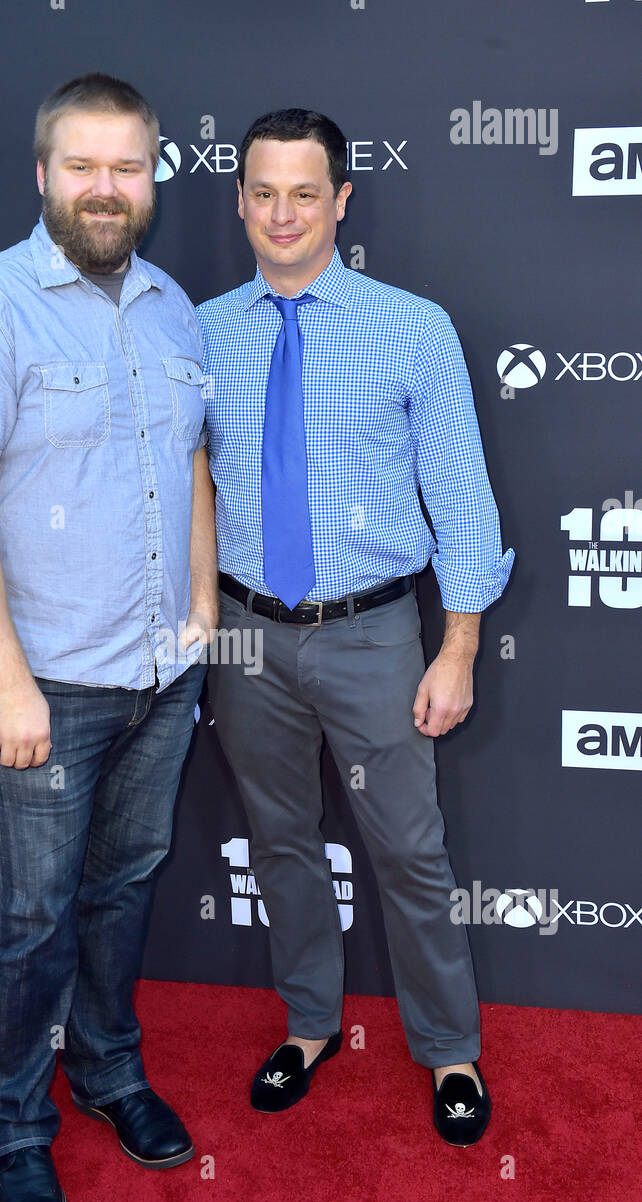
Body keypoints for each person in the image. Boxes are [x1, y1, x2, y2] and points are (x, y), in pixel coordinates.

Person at [0, 72, 217, 1202]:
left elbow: (189, 467)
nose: (105, 188)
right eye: (81, 166)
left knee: (123, 888)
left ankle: (107, 1071)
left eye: (125, 167)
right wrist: (9, 678)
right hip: (48, 685)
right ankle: (16, 1123)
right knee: (34, 915)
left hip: (157, 673)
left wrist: (196, 616)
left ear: (151, 178)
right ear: (41, 174)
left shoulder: (174, 307)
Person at [196, 108, 514, 1146]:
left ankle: (447, 1049)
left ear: (340, 200)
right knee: (280, 842)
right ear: (238, 199)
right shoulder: (197, 332)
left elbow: (460, 498)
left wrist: (456, 644)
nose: (280, 212)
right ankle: (306, 1024)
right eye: (261, 191)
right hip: (246, 638)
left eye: (303, 192)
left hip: (375, 635)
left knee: (408, 853)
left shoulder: (411, 326)